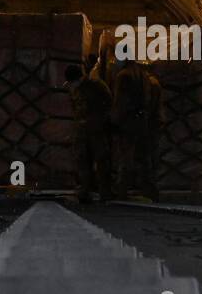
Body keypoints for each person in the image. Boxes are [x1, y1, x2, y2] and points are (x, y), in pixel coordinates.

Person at [110, 59, 162, 201]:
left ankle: (122, 190)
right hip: (142, 121)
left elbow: (120, 102)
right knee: (145, 158)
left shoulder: (123, 75)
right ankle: (151, 191)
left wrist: (115, 121)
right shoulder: (144, 76)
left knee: (126, 157)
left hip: (128, 122)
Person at [65, 56, 113, 202]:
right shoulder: (75, 89)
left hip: (96, 129)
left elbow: (109, 102)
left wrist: (102, 120)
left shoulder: (95, 85)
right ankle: (86, 192)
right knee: (83, 161)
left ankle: (104, 193)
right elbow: (76, 110)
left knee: (101, 160)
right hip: (82, 131)